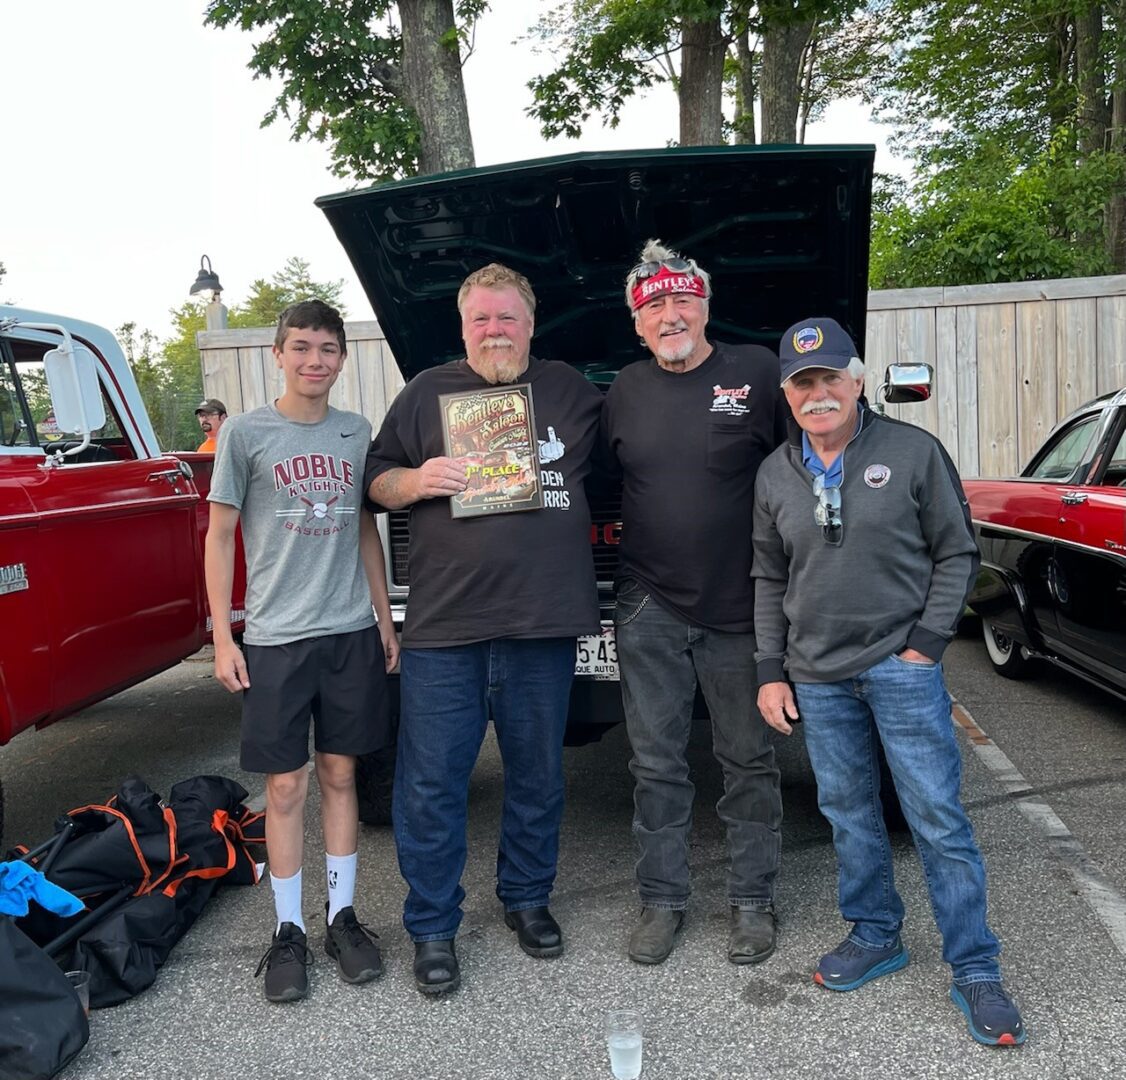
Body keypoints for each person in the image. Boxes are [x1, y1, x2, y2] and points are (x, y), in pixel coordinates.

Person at [752, 317, 1026, 1046]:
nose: (818, 395)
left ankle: (976, 969)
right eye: (802, 384)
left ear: (858, 379)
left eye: (830, 379)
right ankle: (876, 933)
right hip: (815, 675)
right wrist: (770, 671)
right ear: (787, 393)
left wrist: (925, 648)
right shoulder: (776, 472)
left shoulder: (913, 453)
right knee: (847, 811)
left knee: (937, 817)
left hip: (899, 668)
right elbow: (767, 574)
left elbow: (956, 552)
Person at [365, 263, 602, 995]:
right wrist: (414, 482)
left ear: (530, 323)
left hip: (543, 625)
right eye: (481, 320)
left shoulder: (574, 390)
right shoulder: (427, 393)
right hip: (446, 628)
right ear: (463, 327)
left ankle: (527, 900)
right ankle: (433, 926)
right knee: (431, 786)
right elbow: (375, 476)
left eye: (507, 318)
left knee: (538, 776)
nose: (494, 330)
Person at [205, 300, 399, 1004]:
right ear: (278, 354)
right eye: (301, 347)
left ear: (342, 359)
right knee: (286, 787)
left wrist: (383, 618)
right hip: (276, 639)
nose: (314, 360)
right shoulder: (247, 435)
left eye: (327, 349)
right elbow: (219, 535)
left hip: (347, 630)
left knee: (341, 776)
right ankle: (286, 931)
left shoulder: (355, 432)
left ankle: (341, 917)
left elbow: (364, 530)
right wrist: (223, 636)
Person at [602, 239, 787, 967]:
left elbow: (805, 465)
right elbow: (577, 481)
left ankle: (752, 901)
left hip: (740, 607)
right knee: (655, 765)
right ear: (637, 323)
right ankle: (662, 901)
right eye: (655, 306)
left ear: (705, 305)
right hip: (648, 604)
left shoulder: (757, 371)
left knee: (747, 759)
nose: (670, 314)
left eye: (683, 300)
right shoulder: (623, 389)